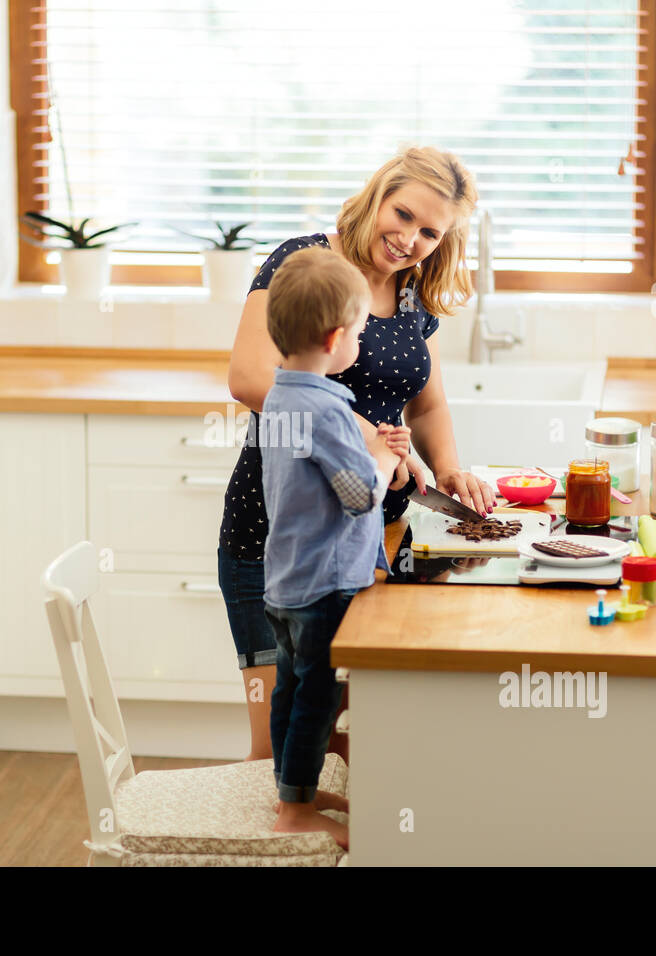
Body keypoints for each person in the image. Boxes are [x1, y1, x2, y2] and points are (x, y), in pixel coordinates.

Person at [218, 145, 497, 760]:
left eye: (430, 232)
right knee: (280, 746)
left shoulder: (411, 295)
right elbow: (246, 377)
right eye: (403, 215)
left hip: (364, 542)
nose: (409, 240)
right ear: (378, 194)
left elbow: (426, 406)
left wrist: (447, 467)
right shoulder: (305, 263)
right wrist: (359, 431)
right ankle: (274, 851)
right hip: (276, 540)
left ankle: (331, 851)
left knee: (338, 739)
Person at [257, 247, 411, 848]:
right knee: (317, 700)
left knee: (290, 690)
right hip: (325, 585)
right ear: (335, 336)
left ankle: (291, 790)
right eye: (360, 332)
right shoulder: (327, 411)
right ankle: (295, 814)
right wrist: (378, 457)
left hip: (286, 579)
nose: (362, 342)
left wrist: (379, 450)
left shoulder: (280, 397)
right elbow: (356, 495)